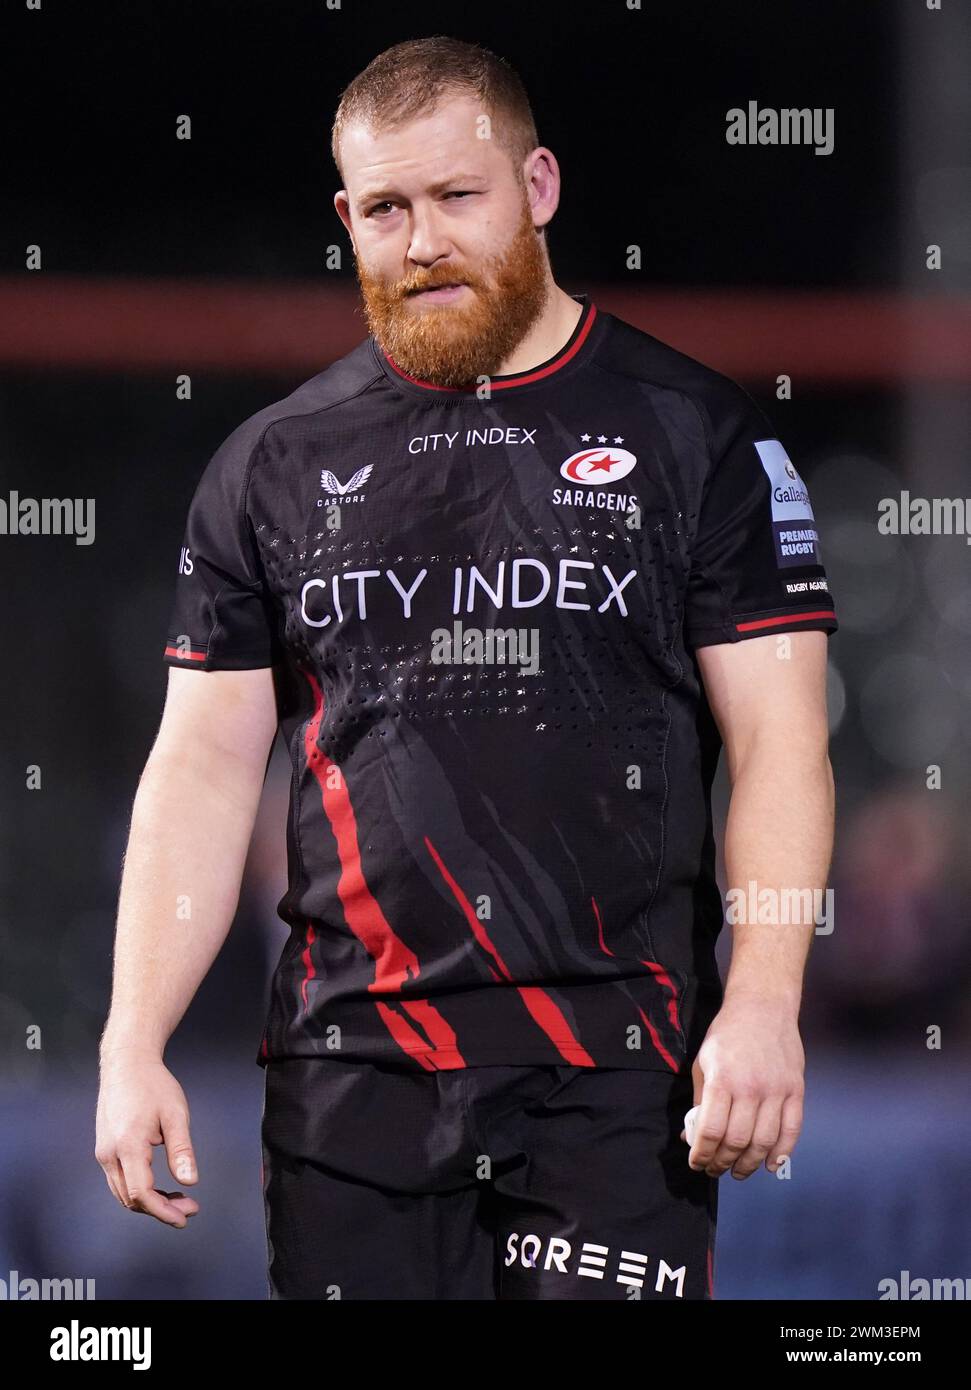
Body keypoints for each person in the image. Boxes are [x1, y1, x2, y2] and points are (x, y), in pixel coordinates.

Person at [95, 35, 838, 1301]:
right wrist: (130, 1038)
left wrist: (763, 1002)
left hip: (618, 1074)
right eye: (385, 208)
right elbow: (201, 768)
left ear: (537, 189)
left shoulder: (695, 433)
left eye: (458, 197)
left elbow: (781, 746)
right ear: (346, 219)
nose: (422, 240)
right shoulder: (269, 465)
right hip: (349, 1083)